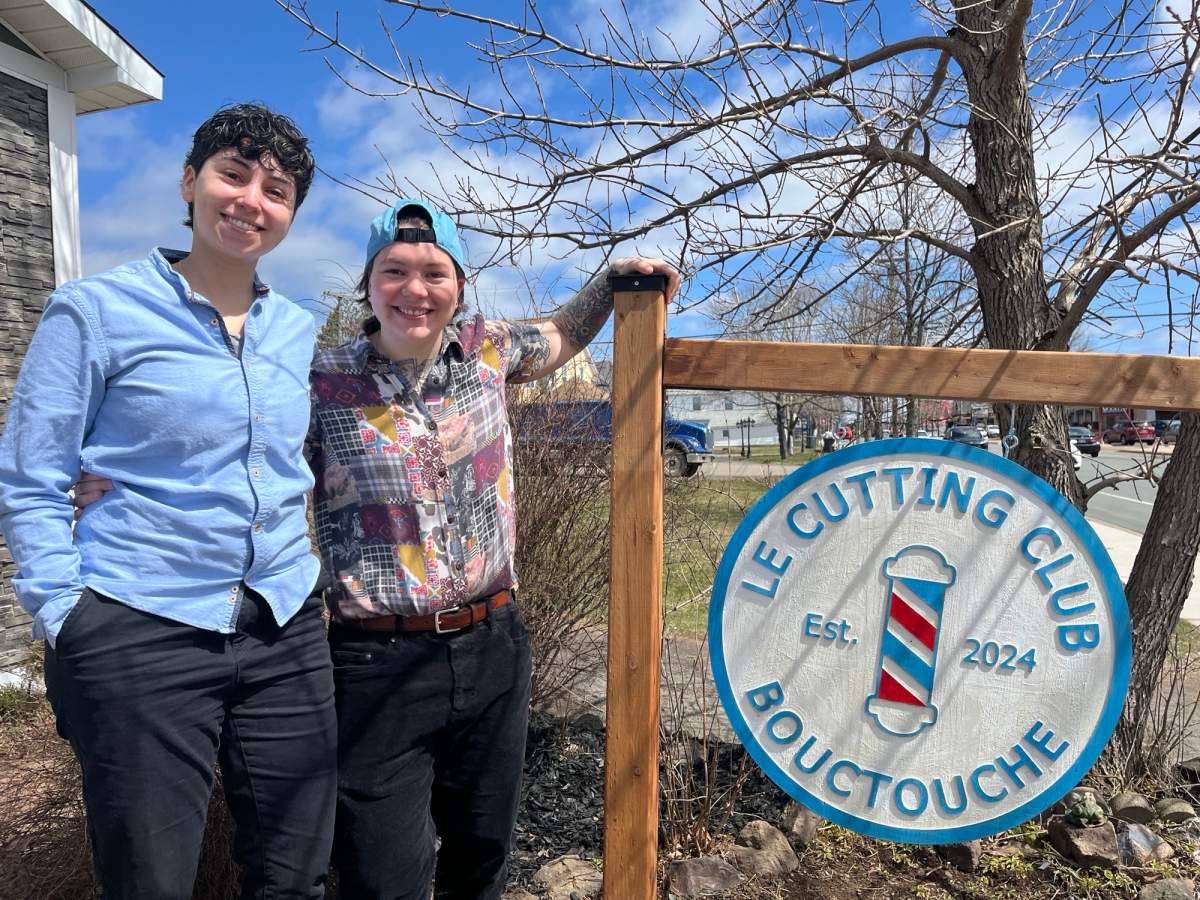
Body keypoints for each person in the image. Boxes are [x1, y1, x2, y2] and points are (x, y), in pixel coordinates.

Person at [0, 104, 337, 899]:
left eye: (277, 188)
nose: (252, 199)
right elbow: (31, 474)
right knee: (150, 881)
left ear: (290, 214)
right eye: (234, 174)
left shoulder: (295, 330)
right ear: (190, 182)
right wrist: (66, 615)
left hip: (283, 624)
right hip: (137, 624)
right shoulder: (96, 312)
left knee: (297, 877)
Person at [311, 197, 678, 899]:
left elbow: (566, 332)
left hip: (493, 648)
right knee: (379, 876)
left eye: (434, 273)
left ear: (458, 285)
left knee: (482, 859)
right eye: (394, 271)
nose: (415, 290)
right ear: (367, 283)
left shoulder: (489, 350)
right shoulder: (321, 383)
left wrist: (619, 277)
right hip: (373, 662)